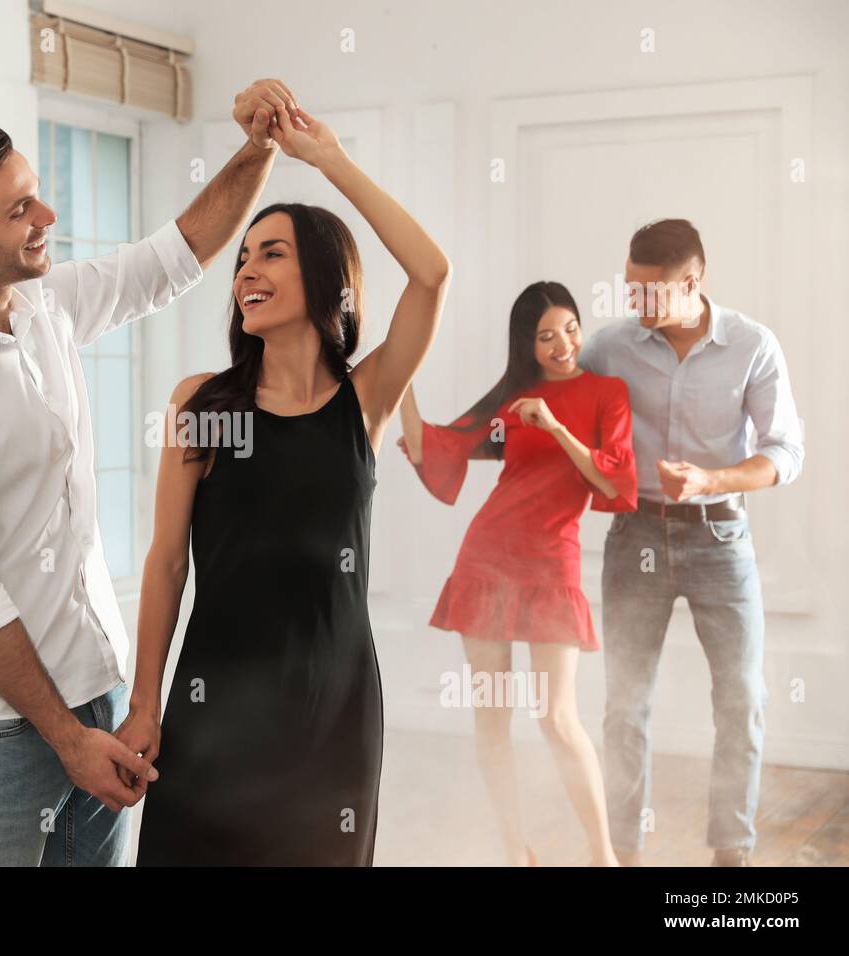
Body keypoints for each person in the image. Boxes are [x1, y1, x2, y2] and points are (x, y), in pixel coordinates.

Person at [0, 79, 296, 866]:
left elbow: (176, 255)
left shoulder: (42, 306)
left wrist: (260, 147)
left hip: (94, 694)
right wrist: (66, 740)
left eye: (36, 195)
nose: (47, 219)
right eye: (19, 210)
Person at [128, 102, 453, 865]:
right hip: (214, 704)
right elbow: (167, 561)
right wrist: (146, 704)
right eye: (242, 259)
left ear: (323, 274)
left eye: (271, 253)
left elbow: (431, 273)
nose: (247, 271)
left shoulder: (365, 402)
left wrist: (328, 159)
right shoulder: (203, 405)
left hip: (331, 708)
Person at [579, 219, 805, 867]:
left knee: (742, 697)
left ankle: (731, 852)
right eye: (629, 288)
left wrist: (711, 478)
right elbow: (547, 402)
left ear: (692, 283)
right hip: (635, 536)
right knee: (625, 702)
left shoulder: (753, 346)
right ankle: (621, 852)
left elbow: (785, 451)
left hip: (720, 536)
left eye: (648, 292)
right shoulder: (609, 347)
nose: (633, 304)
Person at [398, 281, 637, 867]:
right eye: (546, 336)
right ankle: (513, 849)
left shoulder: (607, 394)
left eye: (570, 329)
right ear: (526, 345)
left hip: (554, 562)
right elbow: (437, 446)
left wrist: (555, 426)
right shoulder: (513, 403)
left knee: (557, 717)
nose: (563, 345)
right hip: (487, 560)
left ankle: (602, 854)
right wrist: (397, 372)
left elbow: (612, 481)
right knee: (493, 715)